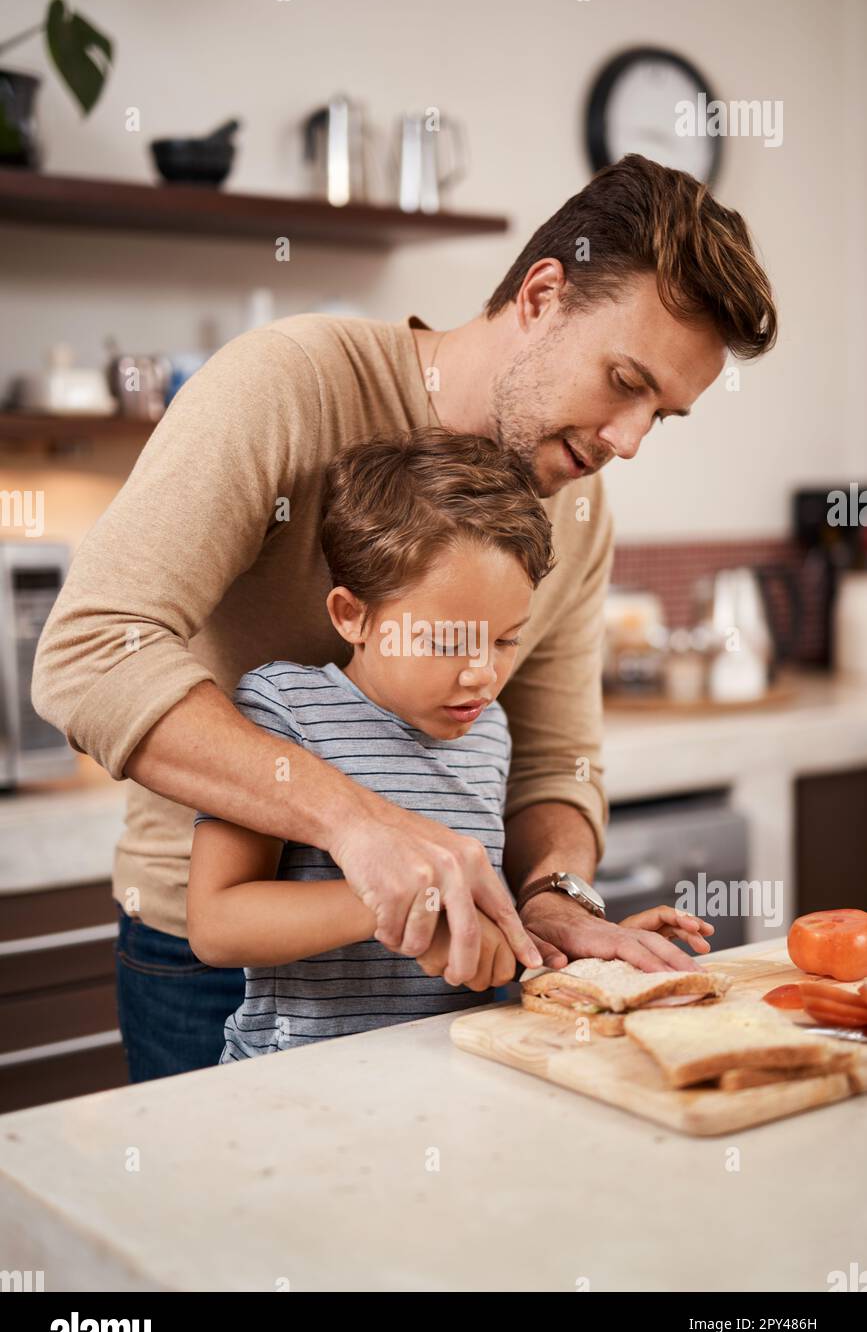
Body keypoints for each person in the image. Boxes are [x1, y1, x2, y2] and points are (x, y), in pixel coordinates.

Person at [31, 154, 775, 1081]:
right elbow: (90, 651)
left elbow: (550, 761)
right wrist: (360, 826)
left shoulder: (577, 508)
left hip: (447, 971)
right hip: (220, 974)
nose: (626, 440)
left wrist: (551, 894)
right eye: (624, 380)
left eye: (660, 415)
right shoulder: (286, 387)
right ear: (541, 296)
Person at [187, 430, 713, 1062]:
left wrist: (579, 951)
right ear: (351, 615)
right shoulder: (285, 709)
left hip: (446, 1075)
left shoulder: (486, 729)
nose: (482, 674)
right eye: (447, 642)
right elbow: (217, 924)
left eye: (506, 640)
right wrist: (396, 896)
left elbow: (488, 937)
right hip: (299, 1084)